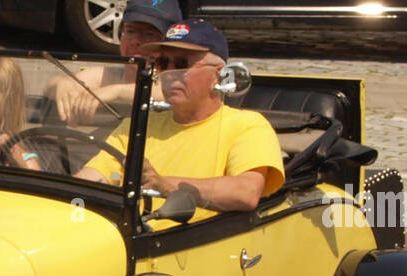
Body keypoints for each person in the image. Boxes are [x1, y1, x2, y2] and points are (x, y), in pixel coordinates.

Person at [77, 19, 284, 212]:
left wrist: (164, 185)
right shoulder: (138, 125)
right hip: (129, 239)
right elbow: (93, 178)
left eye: (182, 63)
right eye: (163, 63)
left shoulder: (247, 126)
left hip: (198, 243)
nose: (169, 73)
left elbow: (246, 192)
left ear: (219, 74)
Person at [43, 0, 183, 125]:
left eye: (149, 34)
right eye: (130, 31)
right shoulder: (110, 76)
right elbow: (52, 85)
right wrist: (61, 85)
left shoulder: (173, 81)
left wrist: (117, 92)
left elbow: (166, 94)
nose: (136, 41)